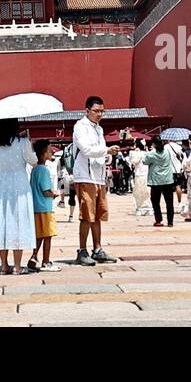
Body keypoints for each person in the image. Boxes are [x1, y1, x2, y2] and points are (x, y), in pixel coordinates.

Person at [71, 95, 119, 266]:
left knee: (98, 214)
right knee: (86, 215)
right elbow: (86, 149)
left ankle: (97, 249)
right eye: (96, 111)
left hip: (99, 176)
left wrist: (109, 155)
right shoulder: (80, 126)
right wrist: (106, 150)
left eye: (102, 111)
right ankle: (82, 250)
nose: (99, 114)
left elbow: (101, 152)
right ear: (87, 111)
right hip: (85, 175)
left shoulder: (99, 129)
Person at [0, 118, 36, 275]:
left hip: (3, 186)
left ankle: (4, 265)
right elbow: (34, 161)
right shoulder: (22, 142)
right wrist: (29, 143)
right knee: (19, 222)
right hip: (20, 185)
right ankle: (17, 266)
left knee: (4, 222)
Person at [27, 140, 60, 271]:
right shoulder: (44, 170)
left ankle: (34, 256)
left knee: (39, 235)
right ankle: (46, 261)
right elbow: (46, 191)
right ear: (42, 154)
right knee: (48, 236)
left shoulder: (35, 169)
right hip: (46, 208)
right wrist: (55, 194)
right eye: (49, 150)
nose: (51, 152)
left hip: (36, 207)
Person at [145, 138, 176, 227]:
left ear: (154, 144)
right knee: (169, 202)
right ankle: (170, 222)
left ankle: (158, 220)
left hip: (156, 181)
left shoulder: (152, 154)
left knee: (155, 201)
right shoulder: (167, 151)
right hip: (167, 179)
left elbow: (144, 161)